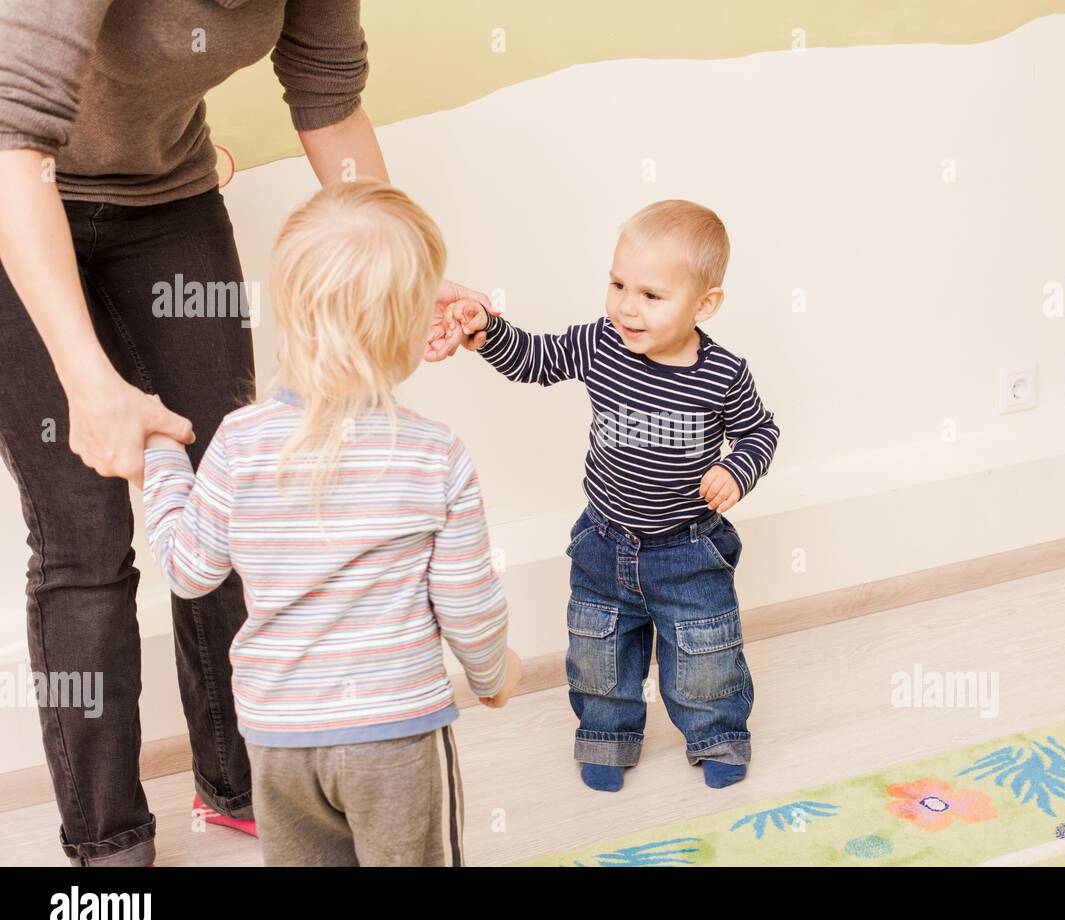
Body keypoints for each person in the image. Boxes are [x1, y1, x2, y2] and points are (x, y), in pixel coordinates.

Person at [0, 0, 491, 866]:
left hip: (166, 200)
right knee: (83, 538)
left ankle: (237, 783)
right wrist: (87, 381)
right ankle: (108, 844)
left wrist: (406, 276)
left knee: (241, 501)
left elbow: (328, 99)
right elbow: (13, 143)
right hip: (15, 192)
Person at [136, 179, 522, 866]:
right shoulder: (435, 454)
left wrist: (164, 458)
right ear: (407, 330)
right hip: (395, 735)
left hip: (279, 740)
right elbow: (468, 603)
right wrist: (494, 674)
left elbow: (188, 571)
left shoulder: (238, 441)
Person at [440, 199, 779, 791]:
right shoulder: (601, 344)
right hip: (603, 539)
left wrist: (737, 470)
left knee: (705, 653)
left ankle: (716, 733)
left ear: (705, 304)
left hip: (688, 550)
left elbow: (759, 431)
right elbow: (537, 360)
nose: (627, 305)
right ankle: (607, 734)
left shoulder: (722, 373)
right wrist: (488, 331)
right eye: (619, 284)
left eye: (651, 295)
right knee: (599, 650)